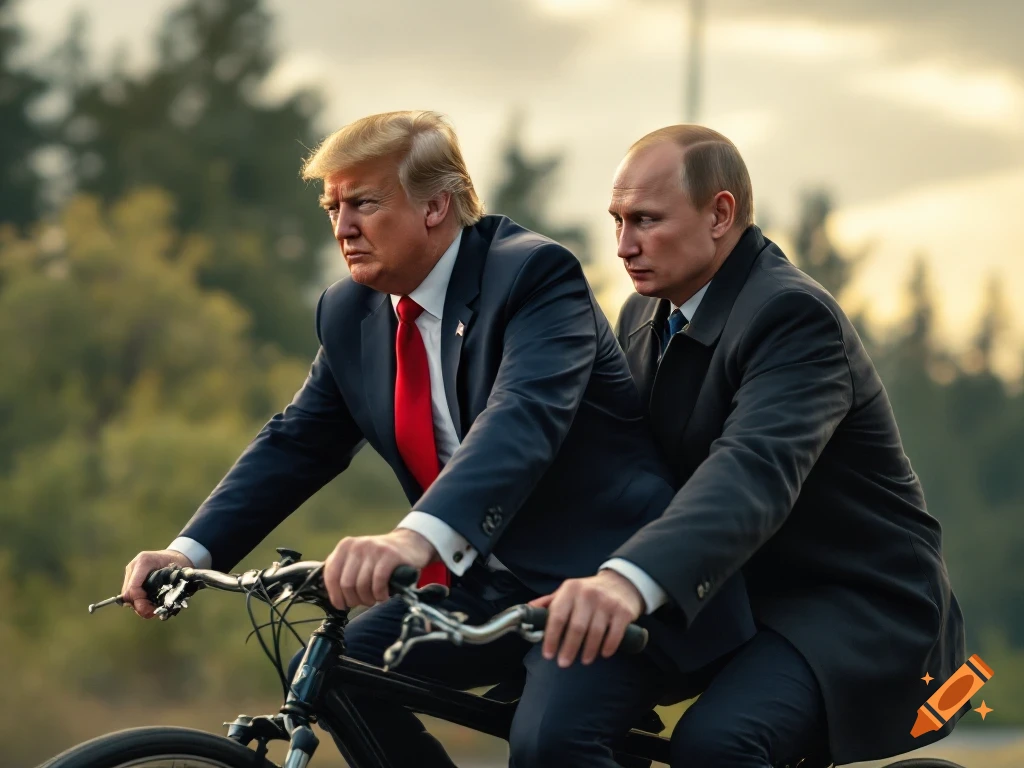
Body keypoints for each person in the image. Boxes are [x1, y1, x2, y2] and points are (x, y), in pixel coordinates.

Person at [119, 111, 754, 768]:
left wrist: (410, 538)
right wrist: (189, 551)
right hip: (488, 586)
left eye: (364, 203)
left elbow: (523, 418)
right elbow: (297, 442)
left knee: (549, 746)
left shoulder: (534, 276)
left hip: (604, 583)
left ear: (435, 207)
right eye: (333, 207)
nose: (343, 227)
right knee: (342, 674)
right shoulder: (350, 310)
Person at [534, 125, 966, 767]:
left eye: (647, 220)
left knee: (717, 748)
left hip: (848, 600)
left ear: (720, 214)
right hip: (722, 590)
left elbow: (751, 472)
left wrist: (627, 583)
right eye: (617, 220)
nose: (623, 245)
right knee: (547, 729)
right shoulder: (641, 314)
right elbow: (613, 466)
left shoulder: (792, 317)